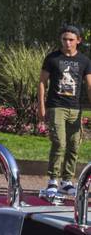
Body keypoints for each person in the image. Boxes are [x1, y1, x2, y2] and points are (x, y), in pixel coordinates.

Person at [38, 24, 91, 196]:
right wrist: (41, 106)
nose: (67, 43)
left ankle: (67, 181)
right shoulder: (52, 58)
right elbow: (42, 83)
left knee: (74, 145)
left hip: (75, 109)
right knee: (59, 143)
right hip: (56, 106)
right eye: (64, 39)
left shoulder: (84, 61)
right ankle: (53, 181)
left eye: (71, 40)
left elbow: (89, 85)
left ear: (78, 41)